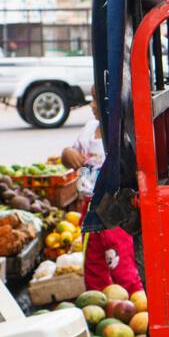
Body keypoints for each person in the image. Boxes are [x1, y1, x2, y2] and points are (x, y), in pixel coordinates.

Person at [61, 88, 142, 295]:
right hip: (89, 208)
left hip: (115, 207)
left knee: (120, 262)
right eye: (93, 99)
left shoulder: (124, 133)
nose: (92, 105)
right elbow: (68, 156)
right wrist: (68, 154)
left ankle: (132, 303)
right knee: (93, 261)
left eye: (97, 100)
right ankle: (98, 300)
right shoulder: (89, 129)